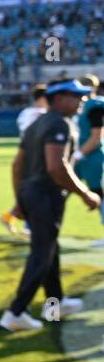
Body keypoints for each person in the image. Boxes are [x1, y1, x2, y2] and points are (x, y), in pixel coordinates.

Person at [0, 79, 101, 332]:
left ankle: (56, 303)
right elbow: (56, 167)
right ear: (58, 99)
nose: (81, 101)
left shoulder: (37, 123)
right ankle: (15, 313)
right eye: (75, 96)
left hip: (32, 193)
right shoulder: (59, 124)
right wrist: (85, 193)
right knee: (42, 255)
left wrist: (19, 199)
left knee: (50, 250)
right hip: (45, 195)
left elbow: (17, 166)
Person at [1, 83, 47, 235]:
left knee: (33, 190)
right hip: (33, 155)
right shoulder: (36, 114)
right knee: (35, 190)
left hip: (31, 154)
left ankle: (11, 217)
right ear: (41, 98)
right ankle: (27, 224)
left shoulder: (27, 113)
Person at [71, 74, 104, 247]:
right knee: (60, 187)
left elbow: (97, 136)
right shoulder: (78, 107)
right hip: (79, 156)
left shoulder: (95, 106)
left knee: (99, 194)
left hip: (92, 157)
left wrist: (79, 154)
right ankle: (34, 225)